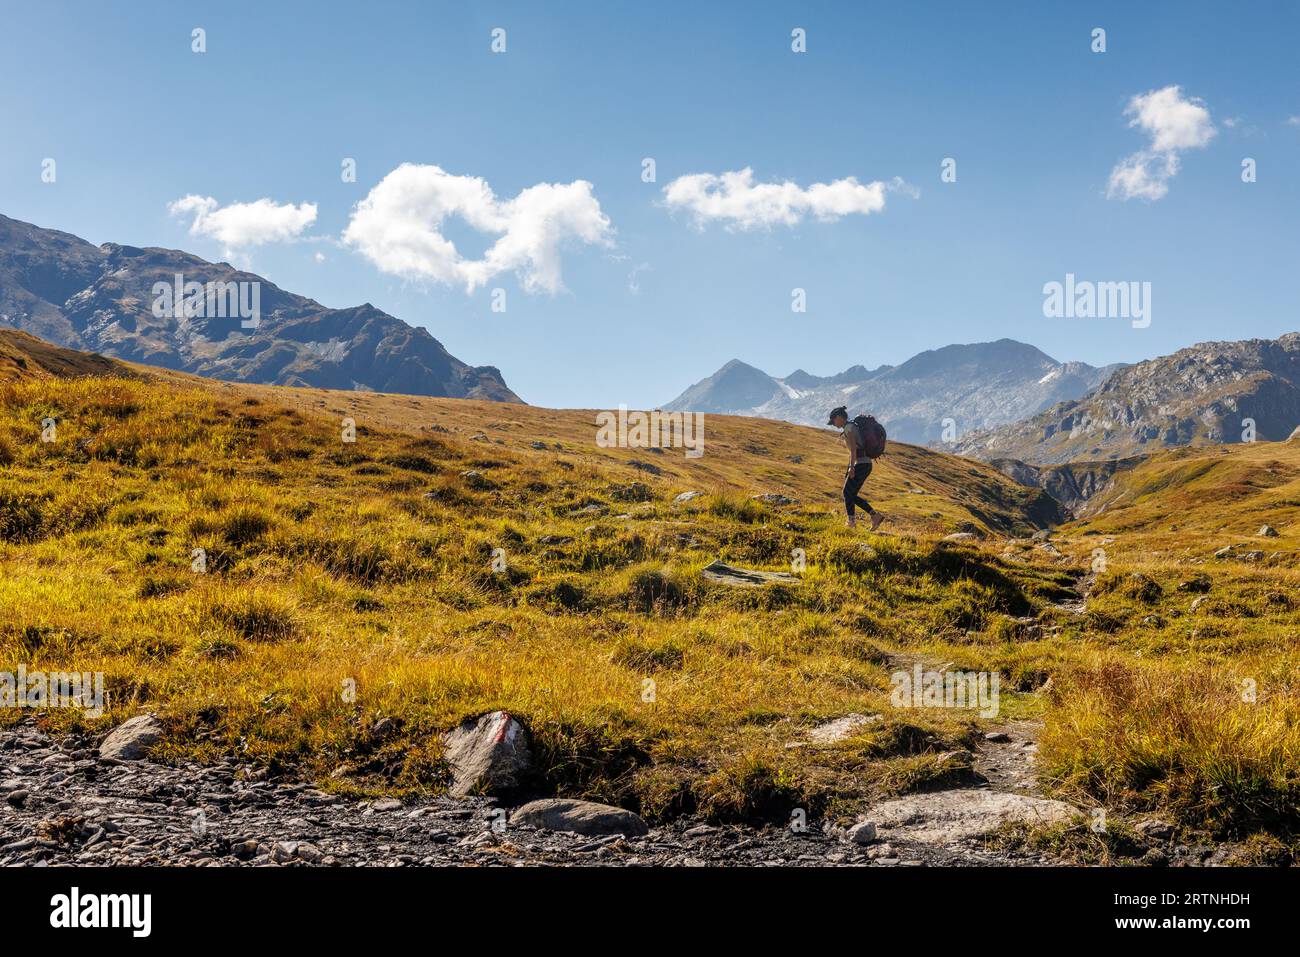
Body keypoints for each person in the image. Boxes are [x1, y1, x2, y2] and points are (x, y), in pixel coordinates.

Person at [828, 406, 884, 531]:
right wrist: (849, 467)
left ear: (838, 417)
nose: (833, 424)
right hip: (865, 464)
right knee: (851, 494)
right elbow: (854, 450)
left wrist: (852, 468)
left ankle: (851, 522)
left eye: (833, 421)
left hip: (861, 464)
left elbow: (853, 449)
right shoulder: (852, 426)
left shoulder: (848, 428)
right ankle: (875, 516)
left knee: (846, 492)